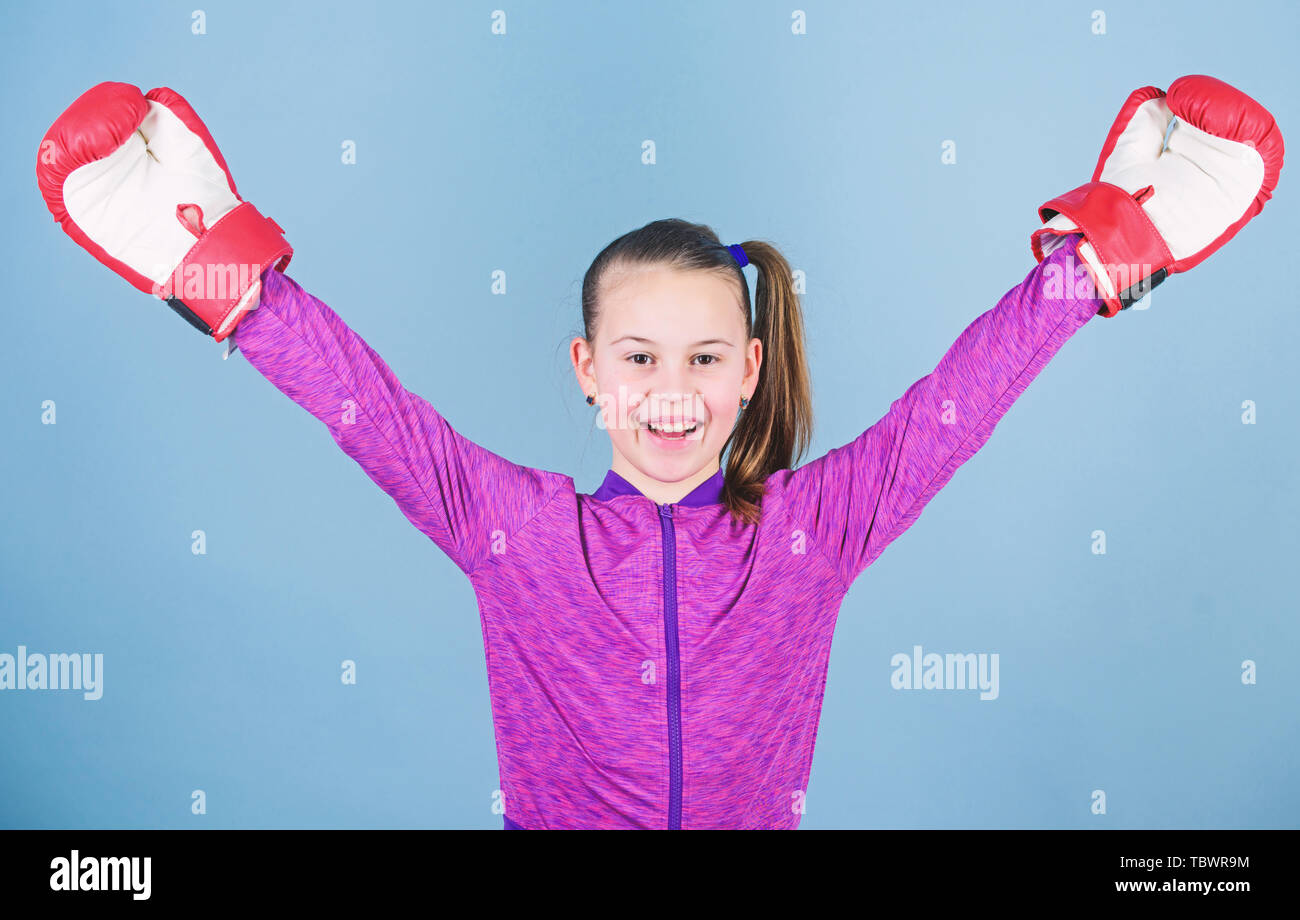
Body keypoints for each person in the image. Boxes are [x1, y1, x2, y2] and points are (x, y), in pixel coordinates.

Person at [36, 77, 1283, 829]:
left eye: (700, 359)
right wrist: (214, 273)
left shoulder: (819, 526)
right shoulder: (508, 527)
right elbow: (363, 406)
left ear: (748, 370)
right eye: (636, 357)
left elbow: (957, 401)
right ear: (586, 373)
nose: (669, 392)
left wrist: (1094, 266)